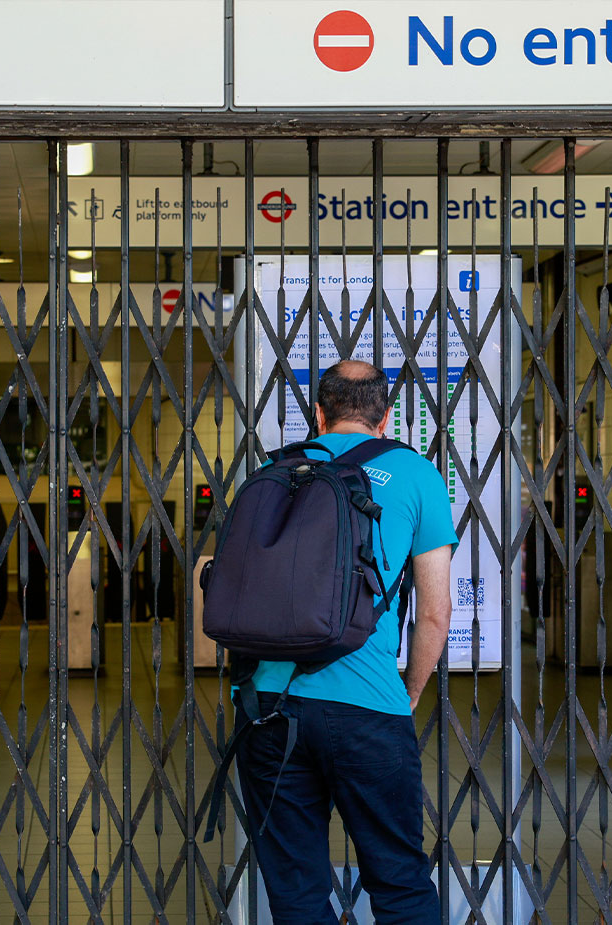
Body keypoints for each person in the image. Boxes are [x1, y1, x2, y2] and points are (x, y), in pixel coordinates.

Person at [237, 359, 457, 924]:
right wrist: (407, 691)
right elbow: (435, 614)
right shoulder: (414, 474)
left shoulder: (276, 468)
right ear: (384, 418)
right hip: (366, 707)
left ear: (318, 413)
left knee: (297, 893)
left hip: (270, 709)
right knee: (401, 884)